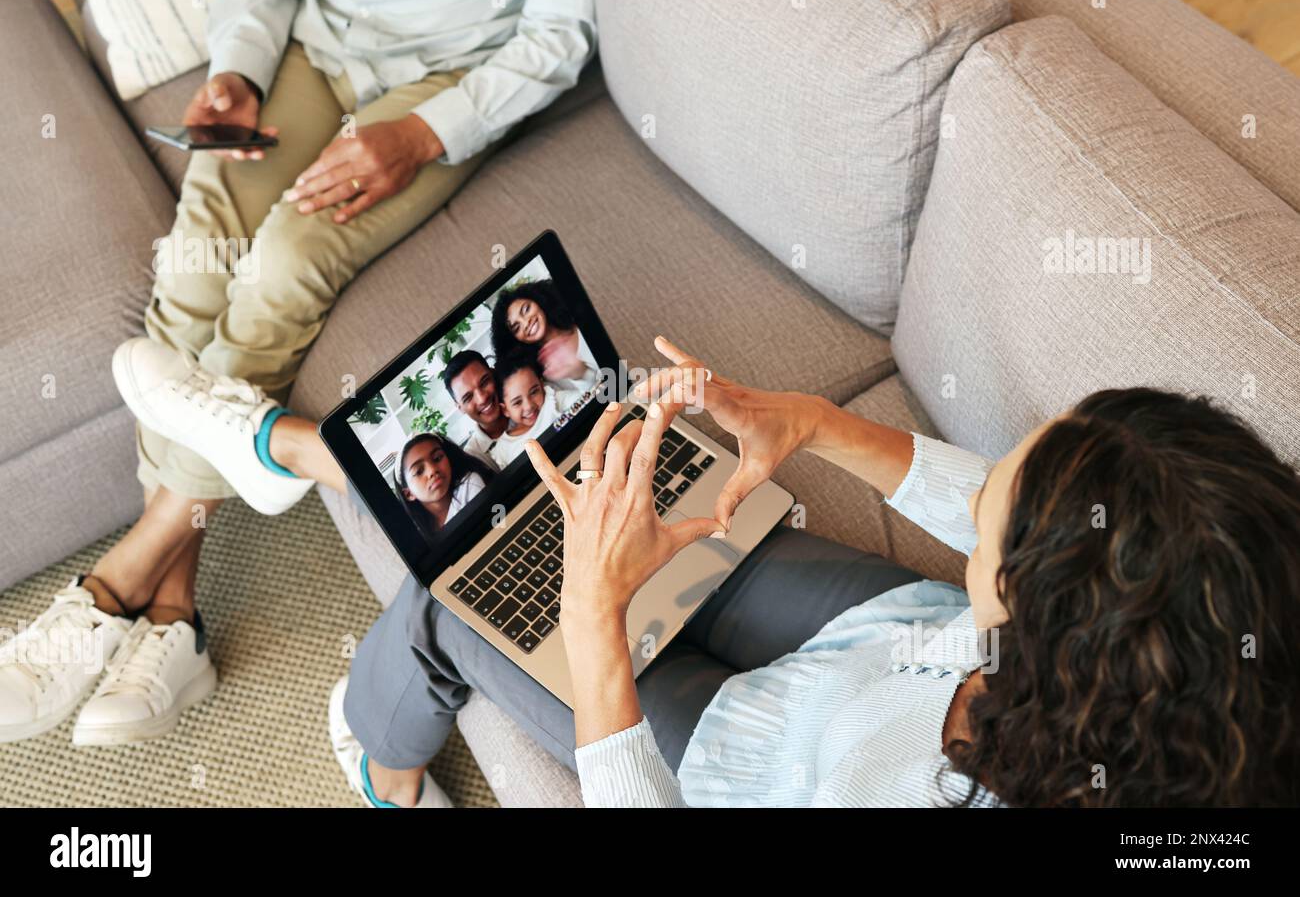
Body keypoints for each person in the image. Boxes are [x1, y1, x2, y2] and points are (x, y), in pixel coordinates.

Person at [0, 0, 595, 746]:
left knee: (283, 263)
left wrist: (423, 134)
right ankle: (175, 612)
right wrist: (237, 73)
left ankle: (118, 584)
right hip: (314, 46)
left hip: (447, 74)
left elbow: (564, 29)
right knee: (192, 262)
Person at [326, 336, 1300, 807]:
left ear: (1047, 634)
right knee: (668, 508)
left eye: (989, 517)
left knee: (452, 596)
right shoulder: (1198, 628)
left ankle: (386, 764)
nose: (976, 497)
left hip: (773, 766)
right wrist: (817, 425)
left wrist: (593, 622)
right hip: (894, 640)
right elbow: (1007, 512)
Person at [490, 280, 598, 407]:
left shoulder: (582, 317)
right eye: (516, 328)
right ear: (515, 340)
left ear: (539, 301)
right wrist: (580, 374)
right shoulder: (544, 375)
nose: (526, 323)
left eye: (526, 309)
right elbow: (587, 406)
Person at [394, 434, 495, 545]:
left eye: (437, 458)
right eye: (419, 471)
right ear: (408, 494)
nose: (432, 470)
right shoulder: (420, 537)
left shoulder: (469, 485)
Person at [490, 351, 564, 468]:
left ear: (541, 384)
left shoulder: (553, 402)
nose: (529, 406)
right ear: (505, 410)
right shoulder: (503, 450)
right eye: (517, 402)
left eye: (534, 392)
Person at [441, 350, 510, 471]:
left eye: (484, 382)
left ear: (493, 373)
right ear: (460, 408)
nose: (482, 398)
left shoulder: (527, 397)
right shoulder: (473, 458)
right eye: (468, 397)